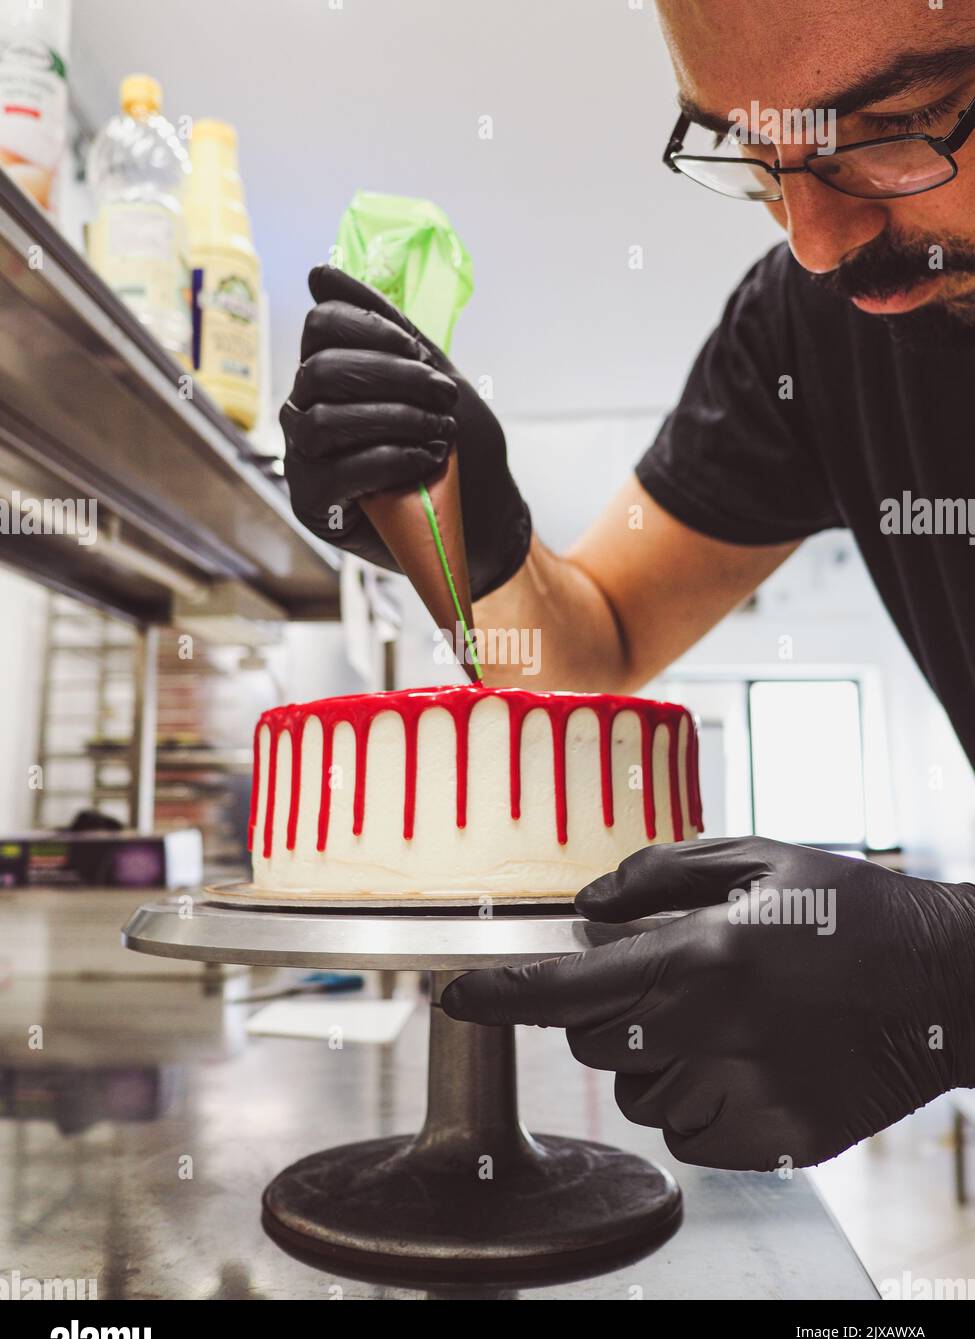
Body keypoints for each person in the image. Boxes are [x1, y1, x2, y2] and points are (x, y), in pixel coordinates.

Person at [279, 0, 975, 1170]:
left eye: (894, 126)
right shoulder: (809, 334)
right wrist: (473, 543)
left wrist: (954, 972)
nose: (815, 237)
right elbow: (586, 649)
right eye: (755, 155)